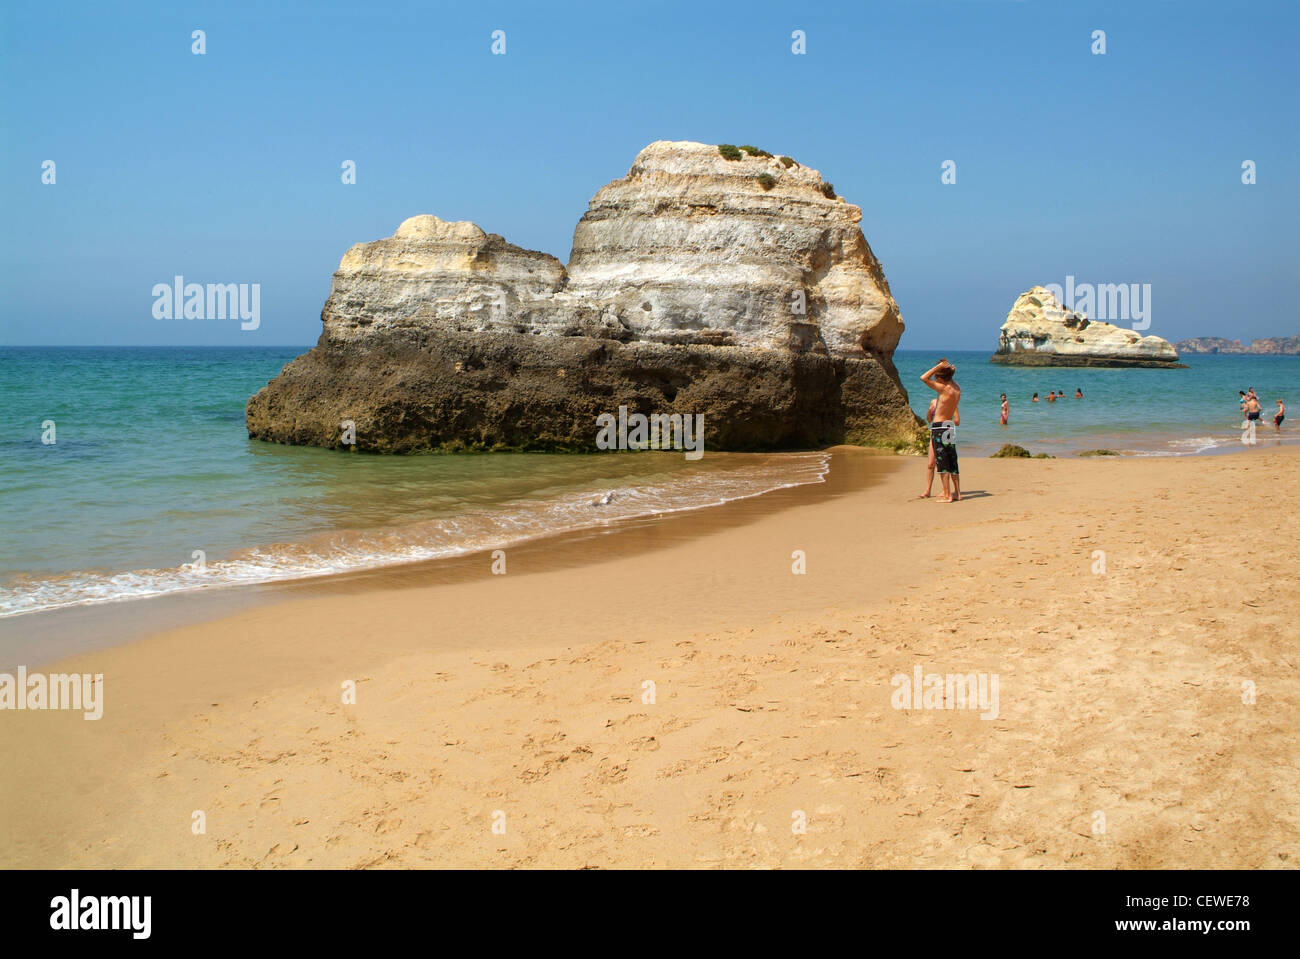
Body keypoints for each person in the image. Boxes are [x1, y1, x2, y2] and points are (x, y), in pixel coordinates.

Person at [920, 359, 961, 502]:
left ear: (941, 379)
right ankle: (957, 493)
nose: (935, 380)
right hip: (949, 426)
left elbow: (924, 378)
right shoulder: (956, 388)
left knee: (942, 462)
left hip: (940, 427)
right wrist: (949, 374)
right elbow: (949, 381)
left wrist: (937, 366)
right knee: (951, 460)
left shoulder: (943, 389)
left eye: (937, 378)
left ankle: (947, 495)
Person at [919, 397, 938, 498]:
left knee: (942, 465)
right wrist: (930, 411)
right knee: (930, 464)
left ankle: (946, 490)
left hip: (944, 433)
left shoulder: (949, 398)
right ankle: (927, 491)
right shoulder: (933, 401)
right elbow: (929, 420)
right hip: (934, 432)